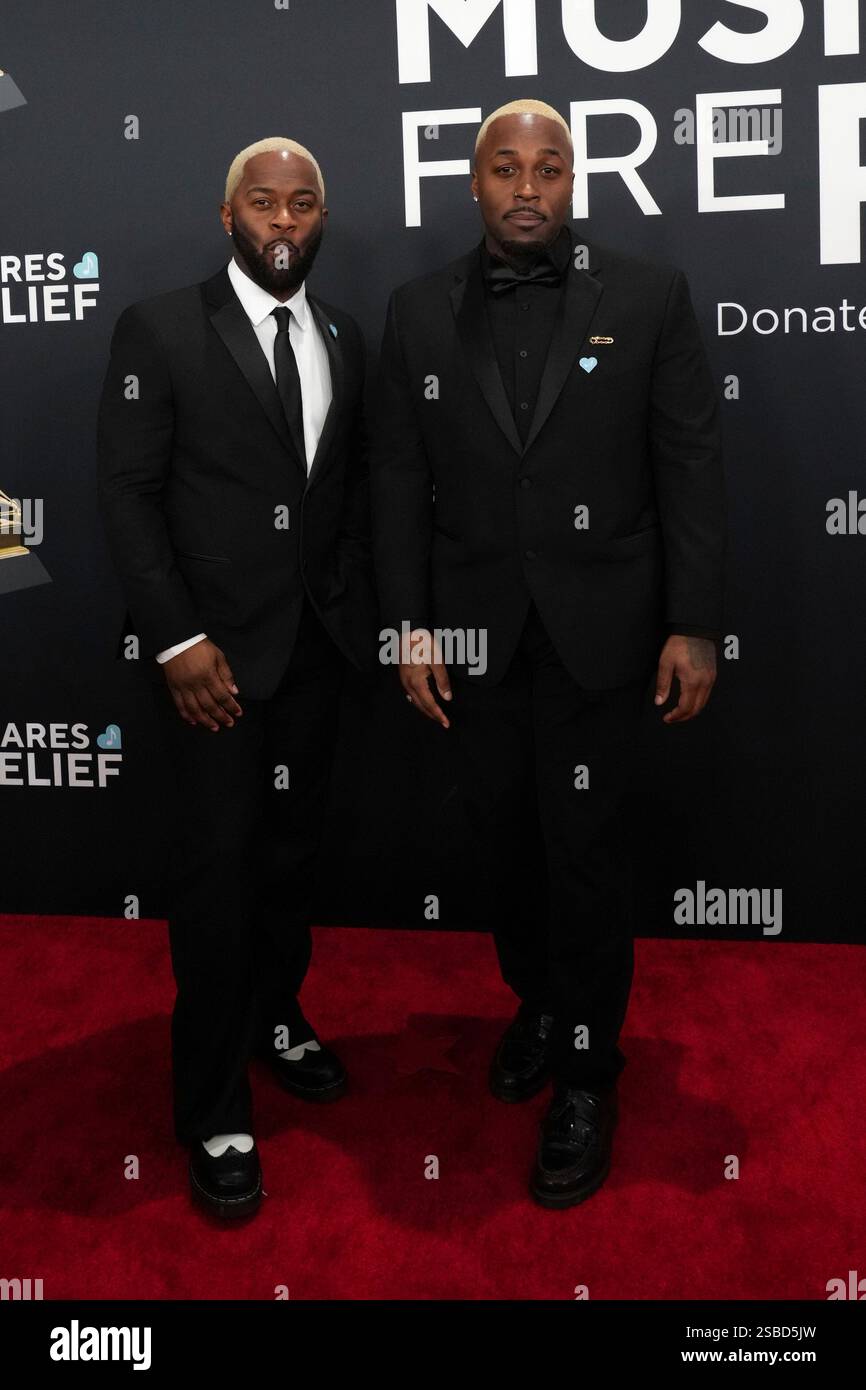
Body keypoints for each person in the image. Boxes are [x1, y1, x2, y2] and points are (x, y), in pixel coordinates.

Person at [371, 99, 725, 1208]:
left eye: (549, 168)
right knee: (505, 847)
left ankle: (585, 1071)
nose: (526, 186)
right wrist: (409, 623)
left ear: (573, 181)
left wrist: (694, 620)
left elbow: (688, 470)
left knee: (582, 855)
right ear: (470, 183)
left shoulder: (651, 294)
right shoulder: (415, 310)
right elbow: (393, 483)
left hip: (601, 634)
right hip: (473, 639)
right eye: (504, 167)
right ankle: (533, 998)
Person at [97, 136, 376, 1219]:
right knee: (213, 881)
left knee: (292, 856)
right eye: (262, 202)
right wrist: (175, 642)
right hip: (207, 666)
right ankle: (210, 1100)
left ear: (319, 219)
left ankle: (275, 1015)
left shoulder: (344, 337)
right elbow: (127, 495)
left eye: (301, 204)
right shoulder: (158, 329)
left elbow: (345, 498)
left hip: (317, 656)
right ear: (227, 216)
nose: (282, 221)